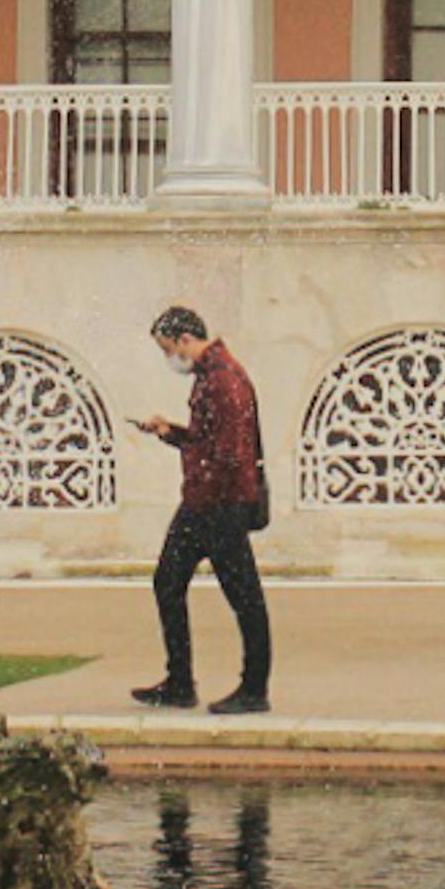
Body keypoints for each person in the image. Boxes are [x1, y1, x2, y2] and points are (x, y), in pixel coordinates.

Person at [131, 305, 273, 715]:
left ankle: (253, 689)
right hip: (205, 502)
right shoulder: (212, 376)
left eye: (167, 349)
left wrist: (207, 494)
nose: (169, 358)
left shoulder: (224, 380)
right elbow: (208, 441)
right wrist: (172, 433)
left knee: (244, 597)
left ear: (185, 339)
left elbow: (229, 453)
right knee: (168, 583)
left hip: (218, 505)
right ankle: (179, 682)